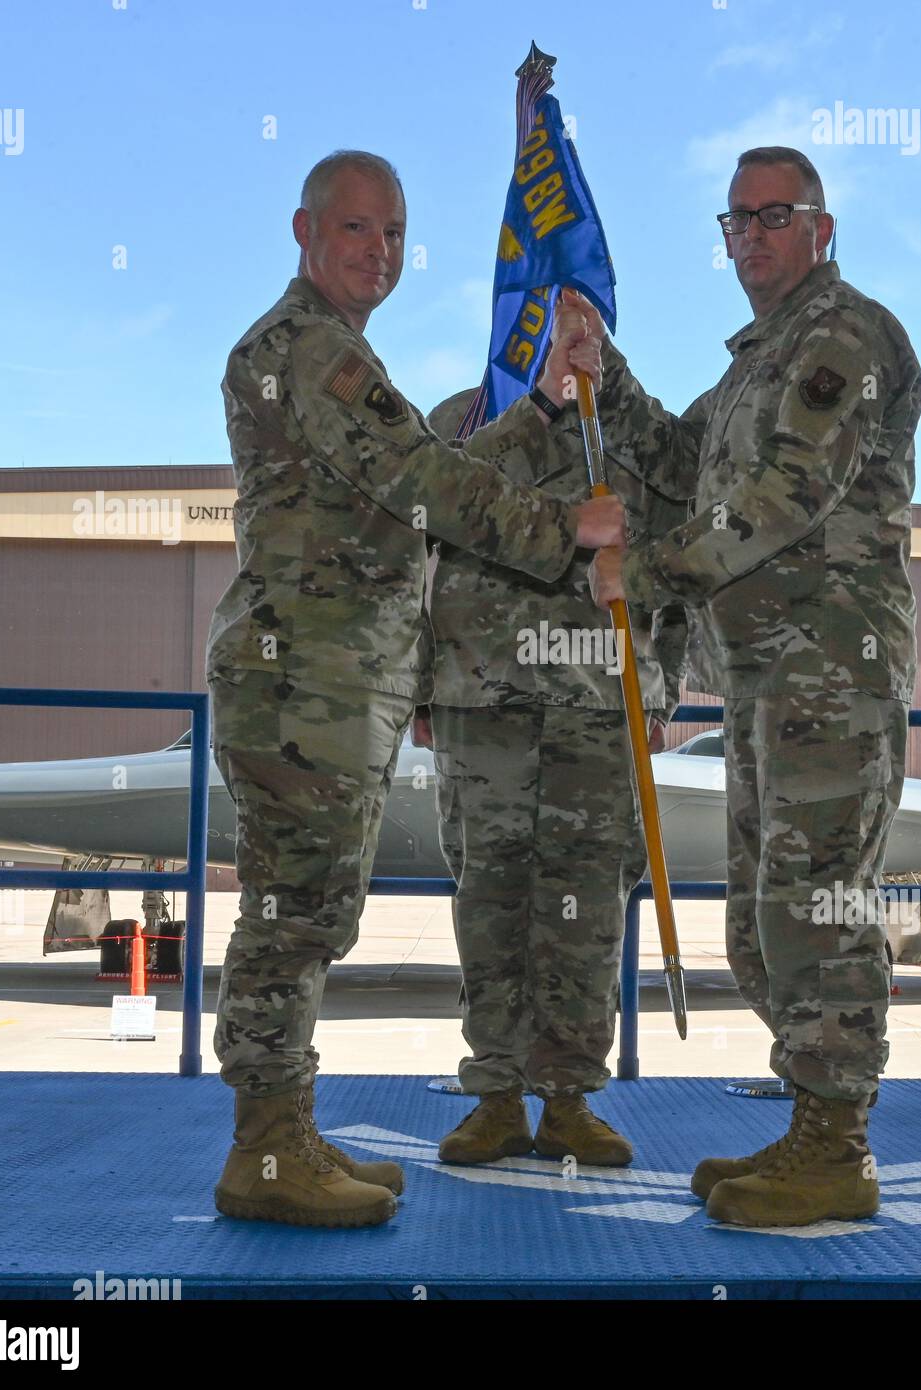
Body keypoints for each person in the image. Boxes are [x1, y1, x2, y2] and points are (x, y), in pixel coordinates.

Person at [207, 150, 619, 1229]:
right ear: (305, 231)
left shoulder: (336, 354)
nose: (378, 252)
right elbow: (429, 480)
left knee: (308, 913)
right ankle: (261, 1150)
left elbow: (425, 459)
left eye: (393, 234)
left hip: (328, 680)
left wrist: (537, 409)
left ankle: (280, 1131)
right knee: (293, 918)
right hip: (305, 678)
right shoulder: (308, 352)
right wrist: (563, 522)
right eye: (356, 230)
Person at [581, 146, 921, 1227]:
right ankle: (810, 1127)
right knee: (765, 921)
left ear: (823, 229)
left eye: (776, 215)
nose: (753, 235)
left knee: (818, 908)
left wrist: (644, 571)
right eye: (736, 222)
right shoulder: (752, 364)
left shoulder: (843, 335)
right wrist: (606, 370)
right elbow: (682, 461)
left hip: (830, 671)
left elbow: (785, 497)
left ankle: (836, 1146)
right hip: (763, 679)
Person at [422, 376, 688, 1169]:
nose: (566, 323)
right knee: (488, 897)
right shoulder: (463, 420)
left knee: (590, 903)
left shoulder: (634, 434)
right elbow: (422, 547)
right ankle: (496, 1096)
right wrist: (419, 679)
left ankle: (569, 1098)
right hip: (483, 696)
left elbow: (672, 565)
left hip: (600, 699)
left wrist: (660, 684)